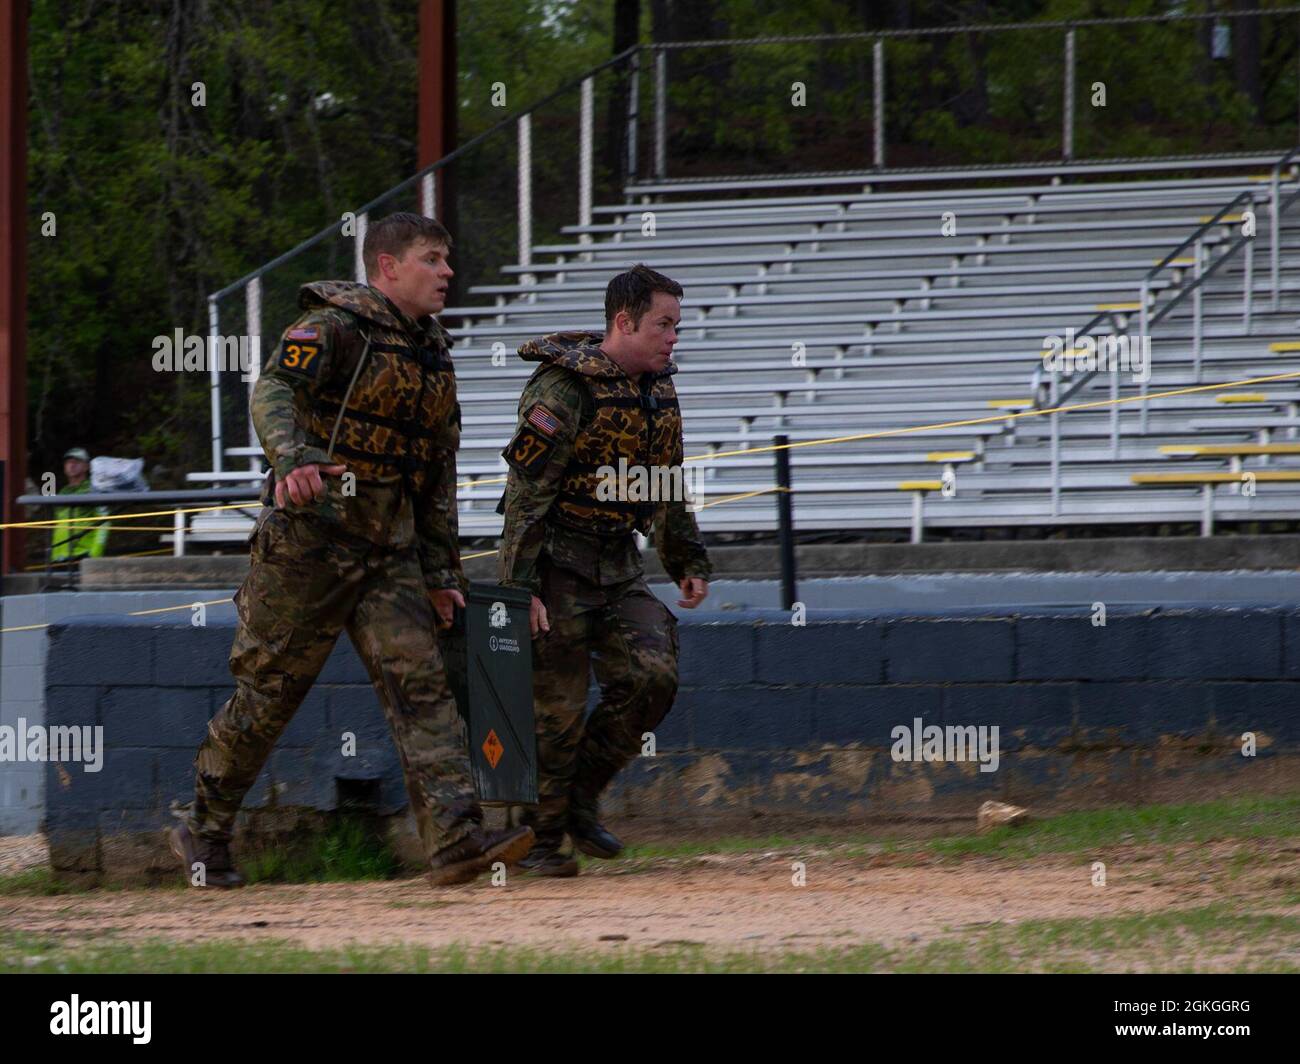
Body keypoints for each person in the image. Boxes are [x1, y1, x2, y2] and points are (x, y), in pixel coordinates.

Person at [170, 212, 533, 889]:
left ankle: (455, 839)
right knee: (268, 696)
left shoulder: (433, 349)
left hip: (388, 554)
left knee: (421, 687)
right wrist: (293, 456)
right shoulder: (333, 326)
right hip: (309, 546)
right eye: (433, 259)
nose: (448, 271)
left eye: (447, 259)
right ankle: (205, 828)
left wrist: (440, 572)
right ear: (388, 266)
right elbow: (275, 387)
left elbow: (435, 471)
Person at [497, 264, 712, 876]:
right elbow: (525, 495)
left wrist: (685, 558)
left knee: (653, 676)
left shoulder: (660, 388)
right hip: (555, 565)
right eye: (662, 324)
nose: (673, 337)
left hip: (618, 564)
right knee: (555, 712)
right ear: (623, 322)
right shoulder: (562, 390)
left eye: (676, 324)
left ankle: (578, 802)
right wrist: (519, 589)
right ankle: (543, 841)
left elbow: (667, 482)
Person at [50, 447, 108, 566]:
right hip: (58, 557)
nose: (71, 465)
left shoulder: (94, 490)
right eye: (68, 462)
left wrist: (95, 554)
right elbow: (58, 523)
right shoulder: (63, 492)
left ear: (87, 466)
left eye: (77, 461)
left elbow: (105, 522)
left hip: (82, 556)